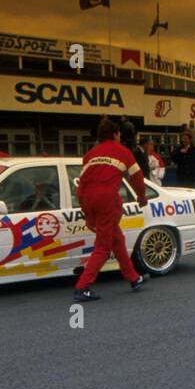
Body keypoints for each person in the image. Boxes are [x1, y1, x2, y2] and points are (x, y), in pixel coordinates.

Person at [72, 117, 148, 302]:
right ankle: (82, 286)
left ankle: (133, 278)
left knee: (117, 239)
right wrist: (141, 197)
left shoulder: (90, 155)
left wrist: (86, 210)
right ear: (115, 134)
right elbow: (137, 177)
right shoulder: (123, 152)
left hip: (86, 197)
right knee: (103, 247)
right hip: (107, 199)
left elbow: (82, 184)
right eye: (119, 134)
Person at [171, 131, 195, 195]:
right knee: (181, 193)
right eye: (183, 138)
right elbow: (173, 158)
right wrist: (180, 153)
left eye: (186, 138)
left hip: (191, 176)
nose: (184, 140)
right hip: (181, 176)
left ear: (189, 140)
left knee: (190, 192)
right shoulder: (179, 149)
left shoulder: (194, 150)